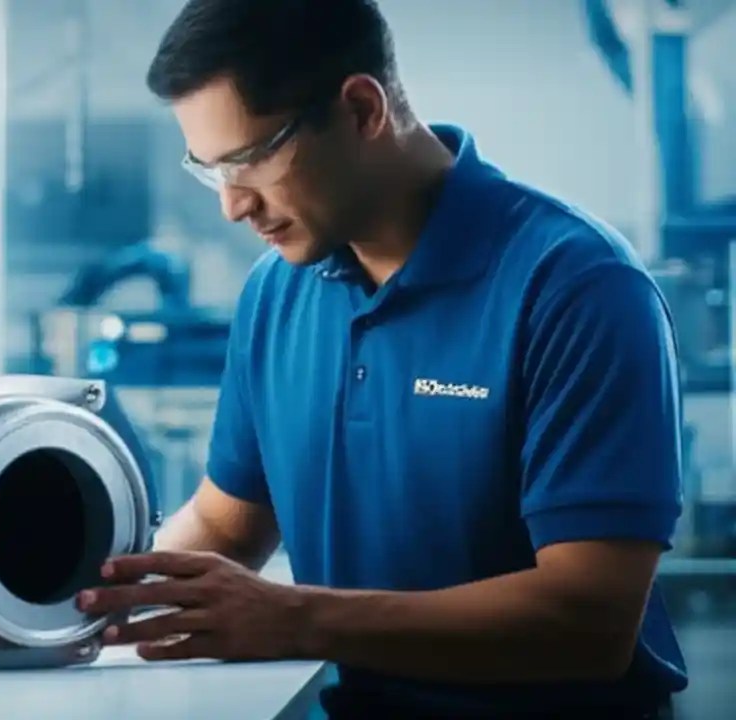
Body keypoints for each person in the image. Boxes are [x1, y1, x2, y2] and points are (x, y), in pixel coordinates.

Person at [76, 1, 688, 717]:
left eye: (250, 160)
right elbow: (225, 525)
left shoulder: (577, 287)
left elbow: (589, 621)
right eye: (211, 172)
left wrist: (295, 616)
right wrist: (64, 605)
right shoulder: (276, 293)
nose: (233, 207)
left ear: (364, 109)